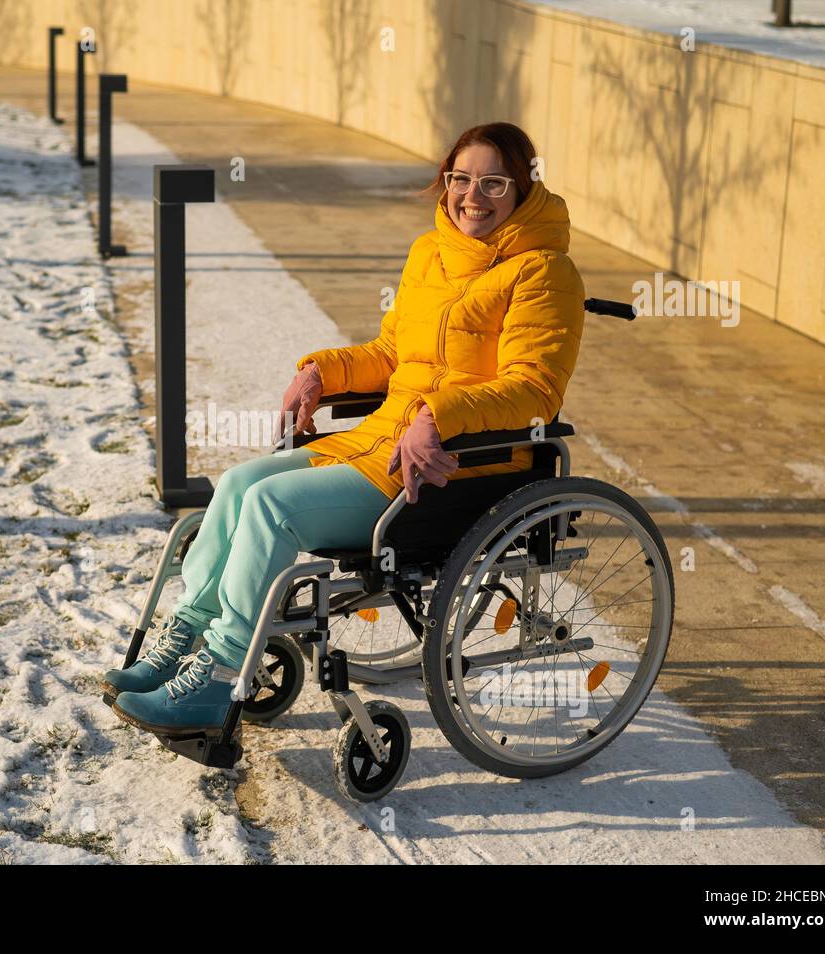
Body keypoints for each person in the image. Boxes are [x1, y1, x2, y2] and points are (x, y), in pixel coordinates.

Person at [105, 121, 586, 737]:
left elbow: (534, 389)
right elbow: (392, 355)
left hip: (461, 463)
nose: (473, 196)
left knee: (273, 507)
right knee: (239, 485)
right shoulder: (429, 254)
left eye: (494, 182)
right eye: (461, 179)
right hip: (381, 441)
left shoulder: (545, 272)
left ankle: (221, 674)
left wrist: (440, 415)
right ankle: (183, 643)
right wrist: (319, 373)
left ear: (523, 189)